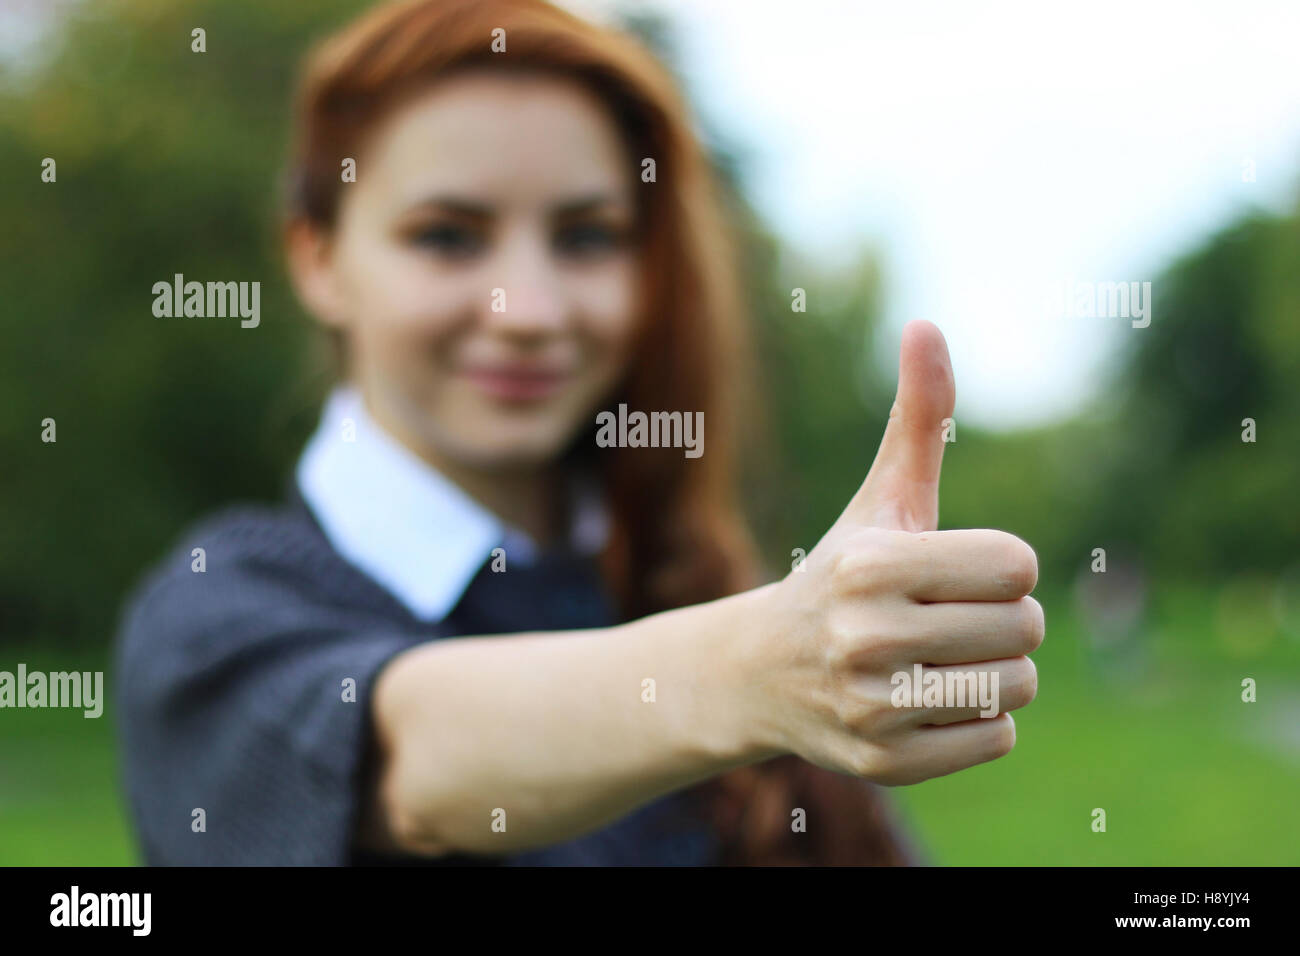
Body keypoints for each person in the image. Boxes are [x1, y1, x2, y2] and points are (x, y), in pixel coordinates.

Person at [113, 0, 1043, 866]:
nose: (528, 310)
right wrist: (755, 671)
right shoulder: (211, 619)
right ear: (317, 257)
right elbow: (404, 756)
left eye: (587, 237)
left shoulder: (701, 585)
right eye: (446, 236)